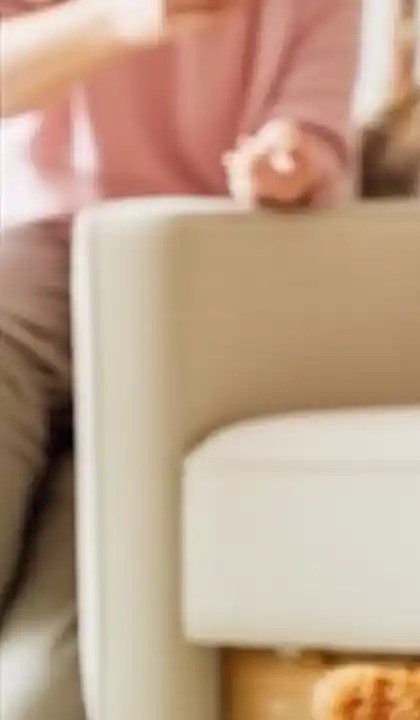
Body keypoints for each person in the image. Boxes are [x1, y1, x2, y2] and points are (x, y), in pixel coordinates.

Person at [0, 1, 361, 717]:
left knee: (42, 689)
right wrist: (120, 20)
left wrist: (290, 159)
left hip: (203, 276)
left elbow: (315, 128)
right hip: (35, 258)